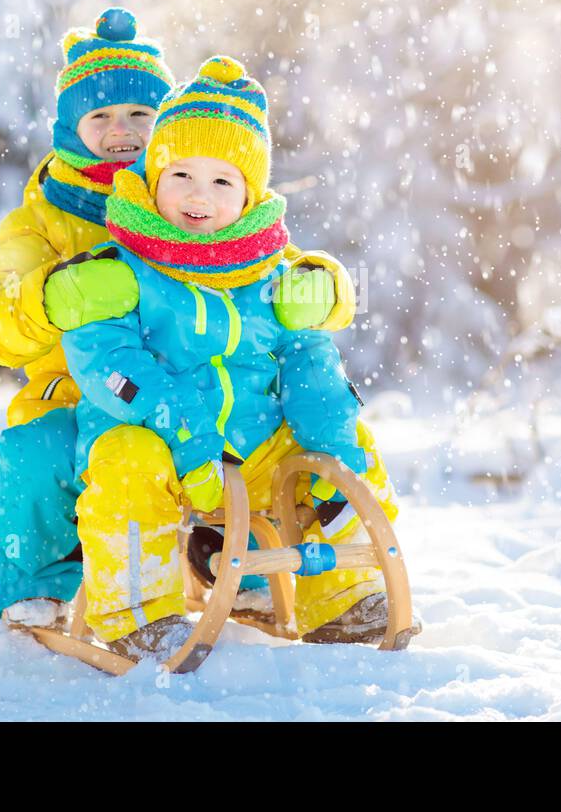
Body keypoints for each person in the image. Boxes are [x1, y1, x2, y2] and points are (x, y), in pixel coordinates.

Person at [0, 11, 357, 627]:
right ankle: (32, 580)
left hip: (196, 385)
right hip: (76, 390)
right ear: (70, 127)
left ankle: (242, 555)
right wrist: (56, 297)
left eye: (139, 116)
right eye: (99, 117)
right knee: (39, 453)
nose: (121, 130)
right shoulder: (40, 219)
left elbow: (271, 267)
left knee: (262, 420)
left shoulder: (193, 196)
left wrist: (325, 286)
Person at [62, 56, 412, 663]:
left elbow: (308, 356)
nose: (201, 196)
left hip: (248, 451)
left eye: (223, 181)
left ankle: (346, 596)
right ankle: (138, 614)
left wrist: (331, 438)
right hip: (162, 445)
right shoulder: (120, 271)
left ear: (249, 194)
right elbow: (107, 362)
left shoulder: (270, 274)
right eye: (182, 176)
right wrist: (185, 430)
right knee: (125, 462)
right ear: (152, 178)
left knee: (339, 447)